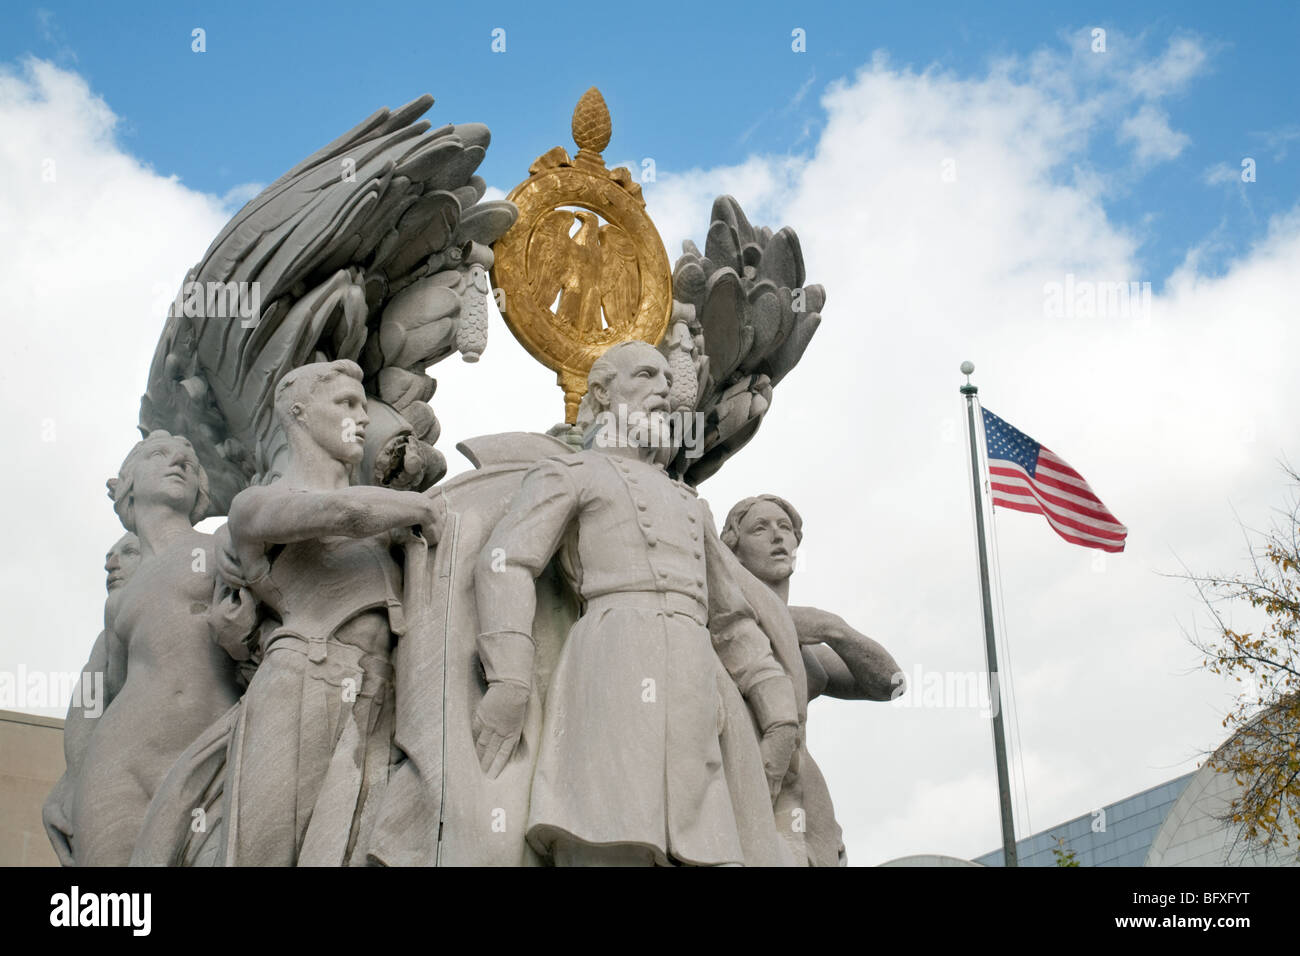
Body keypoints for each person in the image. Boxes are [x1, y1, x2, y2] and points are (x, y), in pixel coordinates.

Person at [471, 340, 799, 866]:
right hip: (613, 661)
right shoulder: (574, 474)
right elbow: (506, 561)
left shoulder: (692, 506)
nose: (663, 393)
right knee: (608, 834)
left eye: (668, 383)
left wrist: (778, 710)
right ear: (602, 392)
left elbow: (732, 620)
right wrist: (508, 678)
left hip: (694, 682)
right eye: (647, 376)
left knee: (710, 848)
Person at [222, 359, 443, 865]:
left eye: (365, 407)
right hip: (305, 682)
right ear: (297, 412)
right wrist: (422, 507)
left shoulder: (387, 524)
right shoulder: (257, 503)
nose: (362, 418)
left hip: (383, 699)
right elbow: (337, 512)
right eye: (346, 404)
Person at [69, 432, 242, 865]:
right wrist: (75, 775)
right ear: (127, 482)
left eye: (189, 459)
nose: (180, 461)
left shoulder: (220, 545)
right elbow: (95, 695)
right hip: (118, 767)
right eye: (161, 454)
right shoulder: (119, 602)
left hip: (209, 758)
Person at [721, 493, 905, 865]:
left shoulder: (808, 640)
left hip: (810, 805)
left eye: (785, 528)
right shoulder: (726, 624)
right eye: (761, 528)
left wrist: (833, 629)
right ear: (734, 550)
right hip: (752, 789)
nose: (777, 537)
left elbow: (891, 684)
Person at [43, 532, 140, 865]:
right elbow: (87, 705)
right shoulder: (108, 637)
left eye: (128, 553)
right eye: (109, 557)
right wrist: (76, 780)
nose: (111, 565)